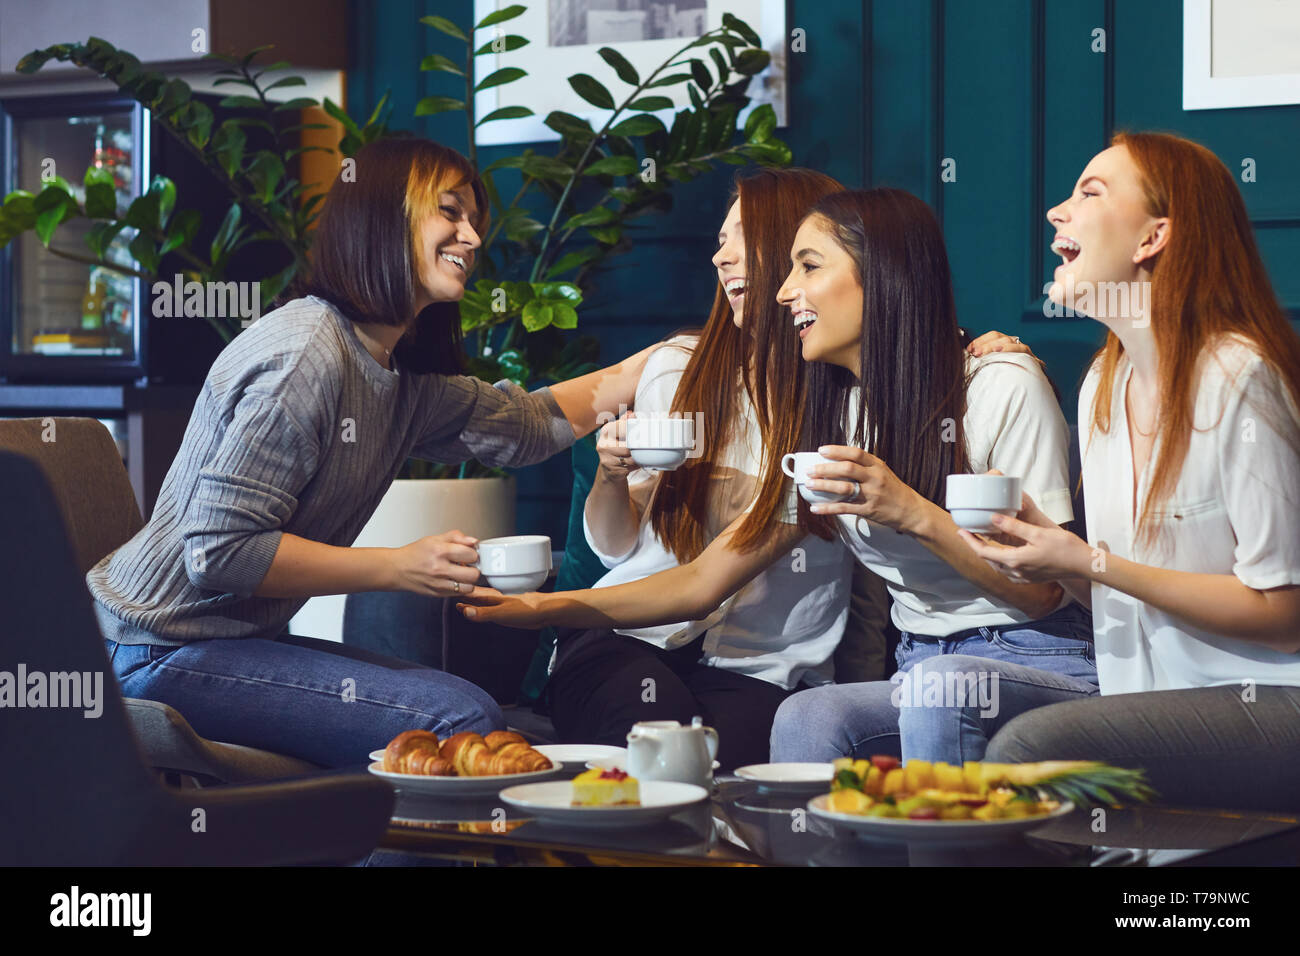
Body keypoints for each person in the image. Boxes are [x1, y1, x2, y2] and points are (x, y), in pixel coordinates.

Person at [460, 187, 1081, 767]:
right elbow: (704, 580)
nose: (785, 292)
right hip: (919, 664)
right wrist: (542, 606)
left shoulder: (1001, 386)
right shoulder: (841, 419)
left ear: (884, 276)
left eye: (808, 267)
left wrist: (912, 511)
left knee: (929, 693)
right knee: (808, 719)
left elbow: (1044, 595)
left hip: (1031, 650)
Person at [88, 137, 659, 767]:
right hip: (151, 651)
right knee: (455, 721)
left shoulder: (396, 373)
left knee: (464, 712)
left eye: (475, 221)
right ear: (385, 220)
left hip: (224, 644)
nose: (472, 238)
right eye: (450, 213)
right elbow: (218, 551)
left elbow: (522, 428)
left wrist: (653, 363)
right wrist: (396, 566)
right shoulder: (305, 356)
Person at [961, 132, 1300, 811]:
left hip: (1270, 702)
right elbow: (1126, 598)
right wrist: (1055, 562)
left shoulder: (1239, 378)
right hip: (1143, 698)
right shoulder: (1102, 387)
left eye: (1089, 192)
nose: (1057, 211)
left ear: (1154, 237)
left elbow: (1285, 612)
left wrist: (1091, 562)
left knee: (1028, 752)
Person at [544, 168, 857, 771]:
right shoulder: (677, 368)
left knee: (709, 769)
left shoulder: (848, 400)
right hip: (625, 641)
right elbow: (616, 550)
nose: (721, 256)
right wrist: (612, 476)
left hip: (762, 665)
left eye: (743, 235)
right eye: (721, 239)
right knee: (661, 741)